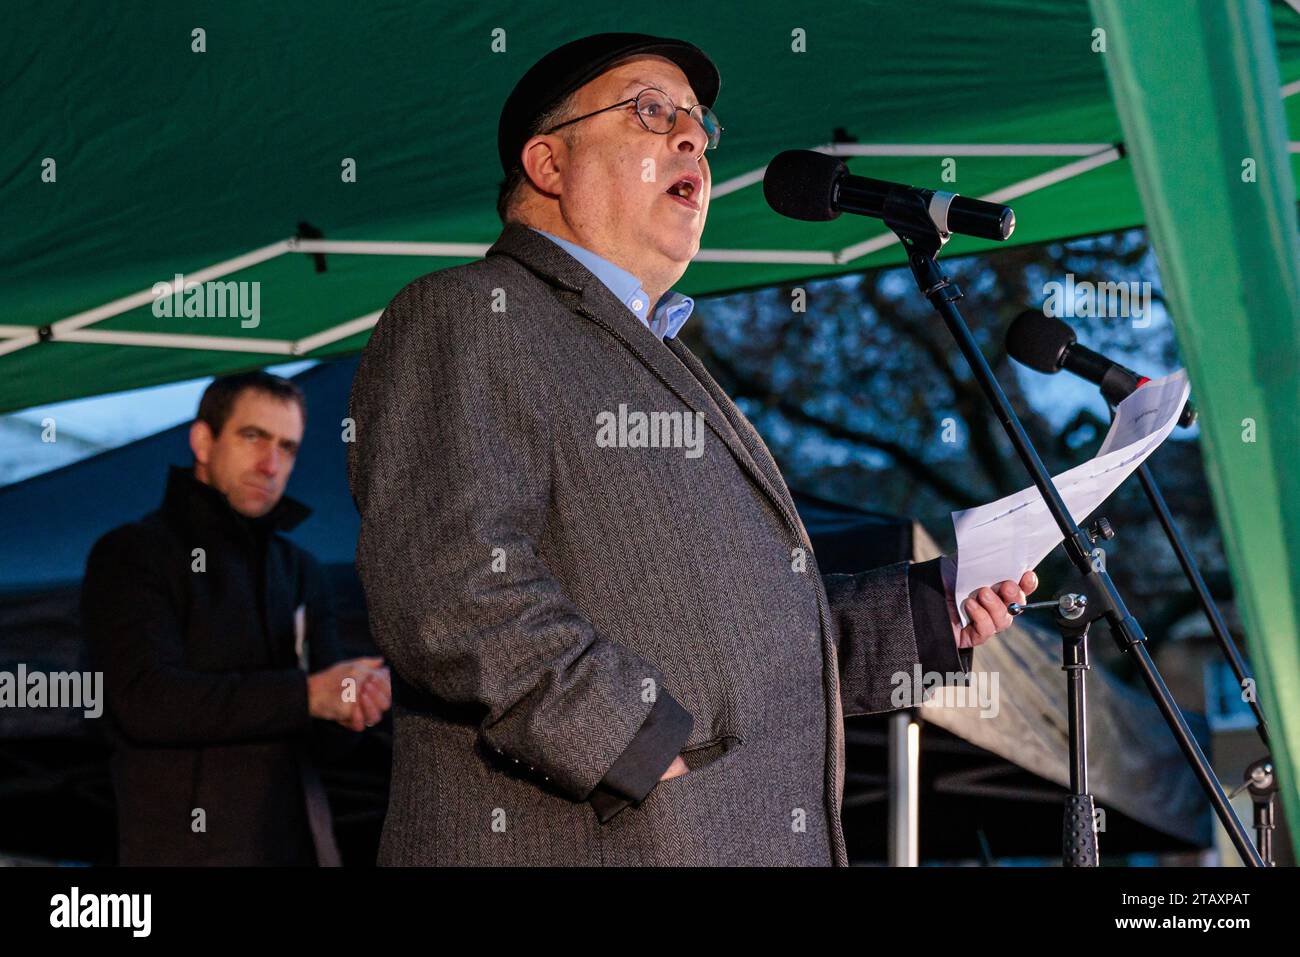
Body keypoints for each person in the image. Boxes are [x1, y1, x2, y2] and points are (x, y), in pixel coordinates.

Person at [347, 33, 1036, 866]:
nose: (693, 139)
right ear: (548, 163)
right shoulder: (469, 312)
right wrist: (628, 741)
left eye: (700, 126)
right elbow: (449, 581)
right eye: (651, 112)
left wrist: (930, 613)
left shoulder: (663, 357)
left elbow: (743, 636)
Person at [83, 371, 391, 865]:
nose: (271, 464)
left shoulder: (299, 569)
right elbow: (143, 702)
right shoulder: (133, 553)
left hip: (300, 848)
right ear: (203, 441)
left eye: (288, 448)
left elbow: (326, 740)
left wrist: (357, 702)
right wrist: (307, 694)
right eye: (254, 437)